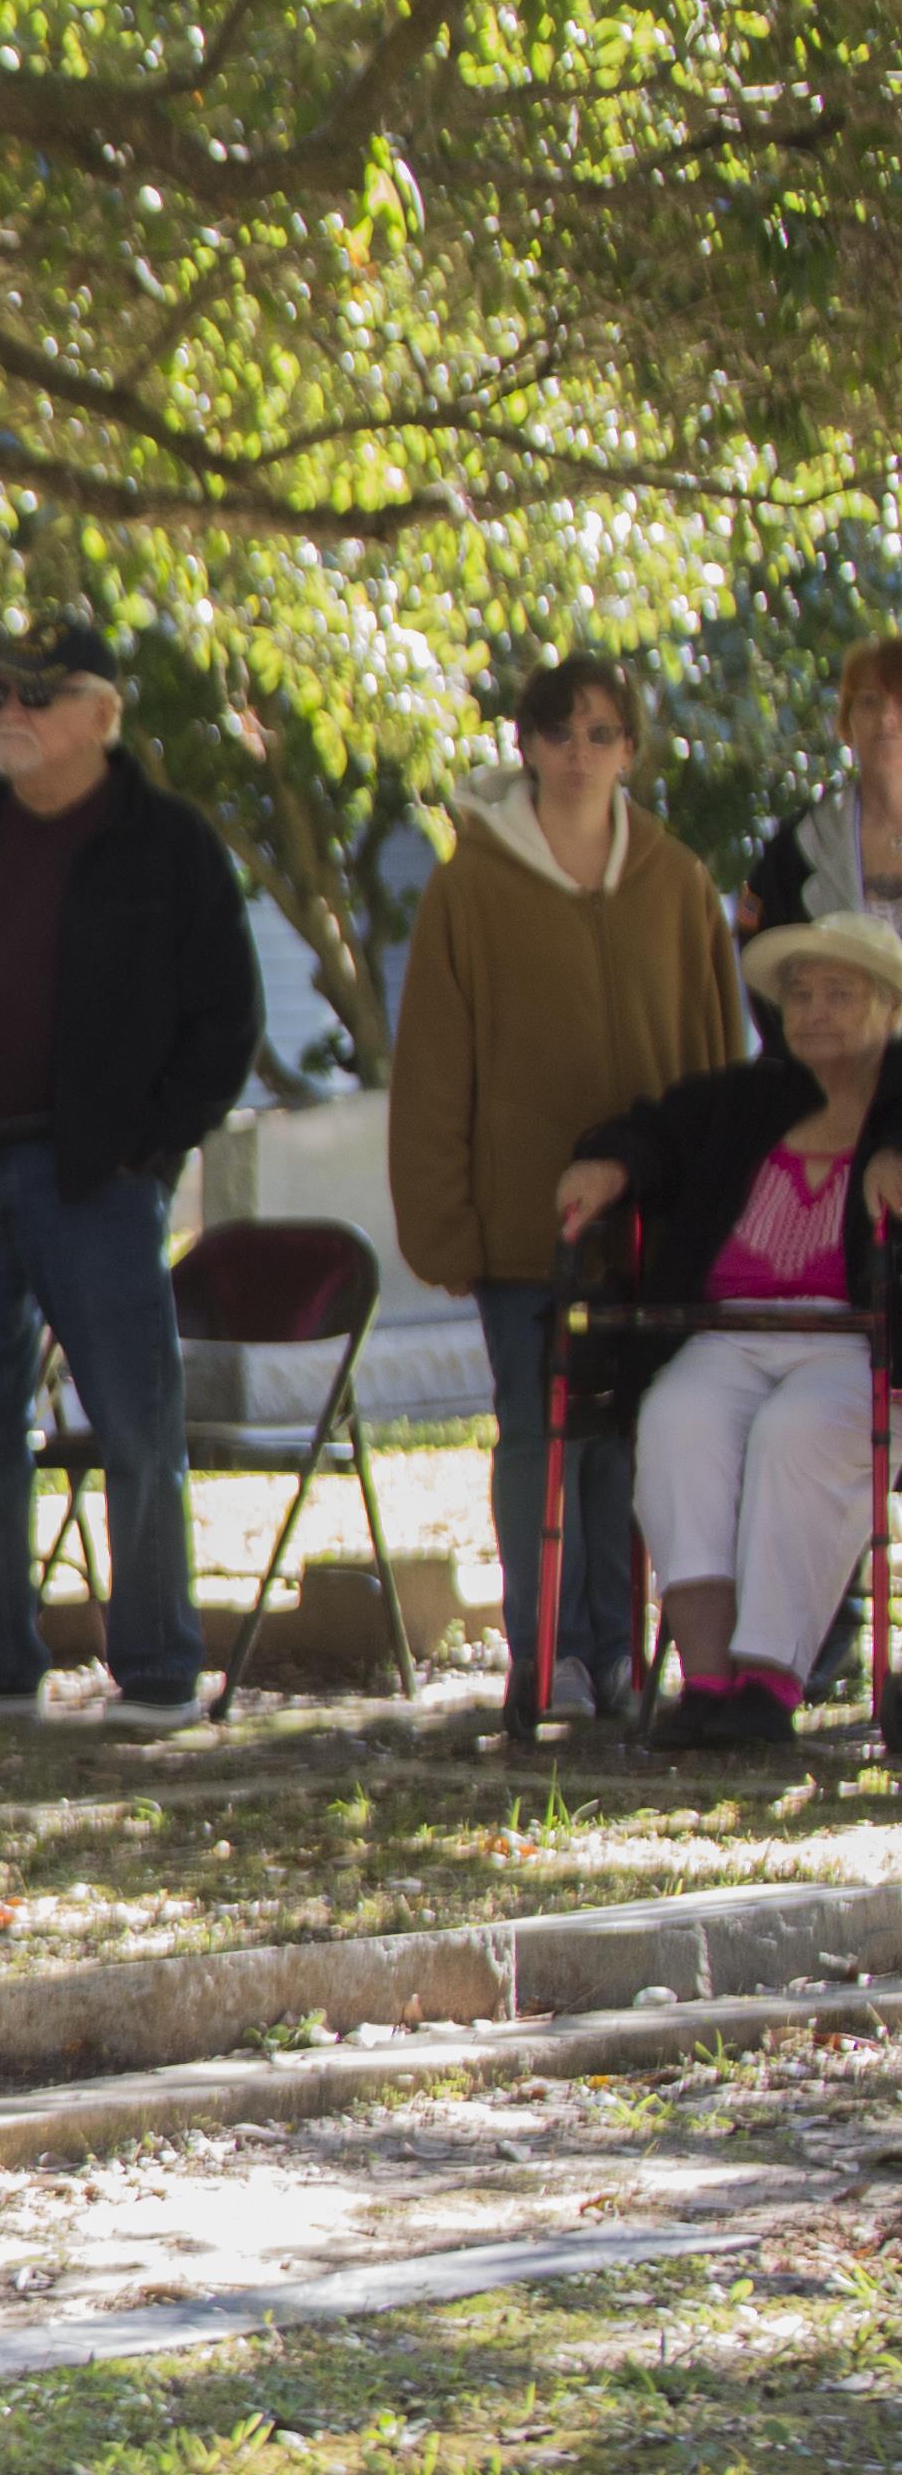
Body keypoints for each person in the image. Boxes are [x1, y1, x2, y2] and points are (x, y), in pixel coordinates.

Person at [0, 616, 261, 1716]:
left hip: (93, 1179)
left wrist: (145, 1147)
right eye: (1, 692)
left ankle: (156, 1668)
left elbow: (226, 1021)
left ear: (103, 714)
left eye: (40, 696)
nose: (13, 712)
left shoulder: (168, 842)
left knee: (135, 1423)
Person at [389, 654, 742, 1725]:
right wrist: (449, 1225)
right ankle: (549, 1658)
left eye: (601, 734)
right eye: (559, 733)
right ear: (526, 747)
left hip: (654, 1226)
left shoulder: (677, 883)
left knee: (629, 1440)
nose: (579, 754)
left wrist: (717, 1208)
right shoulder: (471, 886)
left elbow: (721, 1059)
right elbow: (435, 1067)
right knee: (540, 1433)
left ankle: (616, 1651)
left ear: (631, 750)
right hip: (521, 1223)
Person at [548, 913, 902, 1752]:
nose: (813, 1012)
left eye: (838, 995)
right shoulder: (750, 1098)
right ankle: (707, 1682)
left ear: (888, 1007)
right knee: (677, 1420)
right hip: (724, 1330)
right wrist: (609, 1162)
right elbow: (652, 1131)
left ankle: (769, 1680)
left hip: (860, 1344)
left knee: (800, 1433)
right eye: (800, 995)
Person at [741, 635, 902, 947]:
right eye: (870, 702)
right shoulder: (794, 848)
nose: (886, 719)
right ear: (846, 722)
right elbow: (755, 954)